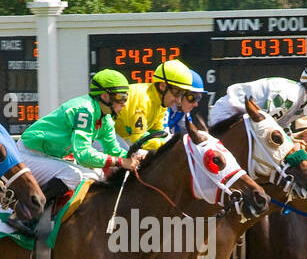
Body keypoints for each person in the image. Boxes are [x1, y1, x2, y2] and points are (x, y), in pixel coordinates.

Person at [16, 69, 138, 206]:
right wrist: (121, 162)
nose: (125, 103)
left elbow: (114, 151)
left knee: (97, 176)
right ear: (105, 96)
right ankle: (26, 211)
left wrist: (135, 157)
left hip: (49, 156)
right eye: (121, 98)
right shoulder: (84, 111)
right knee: (73, 176)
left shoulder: (106, 119)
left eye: (126, 98)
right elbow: (83, 155)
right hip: (27, 155)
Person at [208, 61, 307, 129]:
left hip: (244, 119)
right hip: (226, 114)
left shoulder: (306, 105)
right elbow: (263, 126)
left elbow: (282, 126)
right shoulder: (289, 96)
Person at [115, 59, 194, 153]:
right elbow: (139, 140)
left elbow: (157, 133)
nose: (178, 100)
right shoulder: (143, 102)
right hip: (99, 133)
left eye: (182, 94)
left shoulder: (160, 103)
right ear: (163, 86)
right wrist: (168, 143)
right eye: (177, 93)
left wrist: (166, 141)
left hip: (121, 136)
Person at [164, 69, 207, 135]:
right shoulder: (164, 107)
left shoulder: (182, 110)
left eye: (198, 98)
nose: (196, 104)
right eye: (192, 98)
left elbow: (188, 135)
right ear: (179, 93)